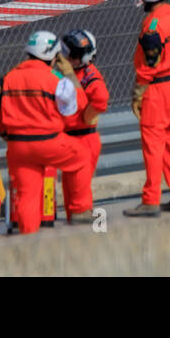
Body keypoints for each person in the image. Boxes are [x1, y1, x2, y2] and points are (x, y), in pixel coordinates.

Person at [0, 30, 93, 233]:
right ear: (52, 56)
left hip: (18, 146)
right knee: (82, 157)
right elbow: (78, 106)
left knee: (27, 195)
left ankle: (29, 240)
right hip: (49, 141)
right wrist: (70, 75)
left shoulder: (10, 77)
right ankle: (80, 210)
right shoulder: (55, 80)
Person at [125, 0, 170, 216]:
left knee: (153, 145)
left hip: (156, 88)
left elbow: (149, 63)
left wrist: (138, 92)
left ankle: (151, 200)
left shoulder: (153, 24)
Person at [57, 28, 109, 225]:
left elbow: (101, 100)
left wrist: (87, 117)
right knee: (70, 193)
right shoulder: (69, 70)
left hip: (84, 138)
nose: (67, 57)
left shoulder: (88, 76)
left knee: (80, 197)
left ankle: (87, 229)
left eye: (73, 55)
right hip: (70, 137)